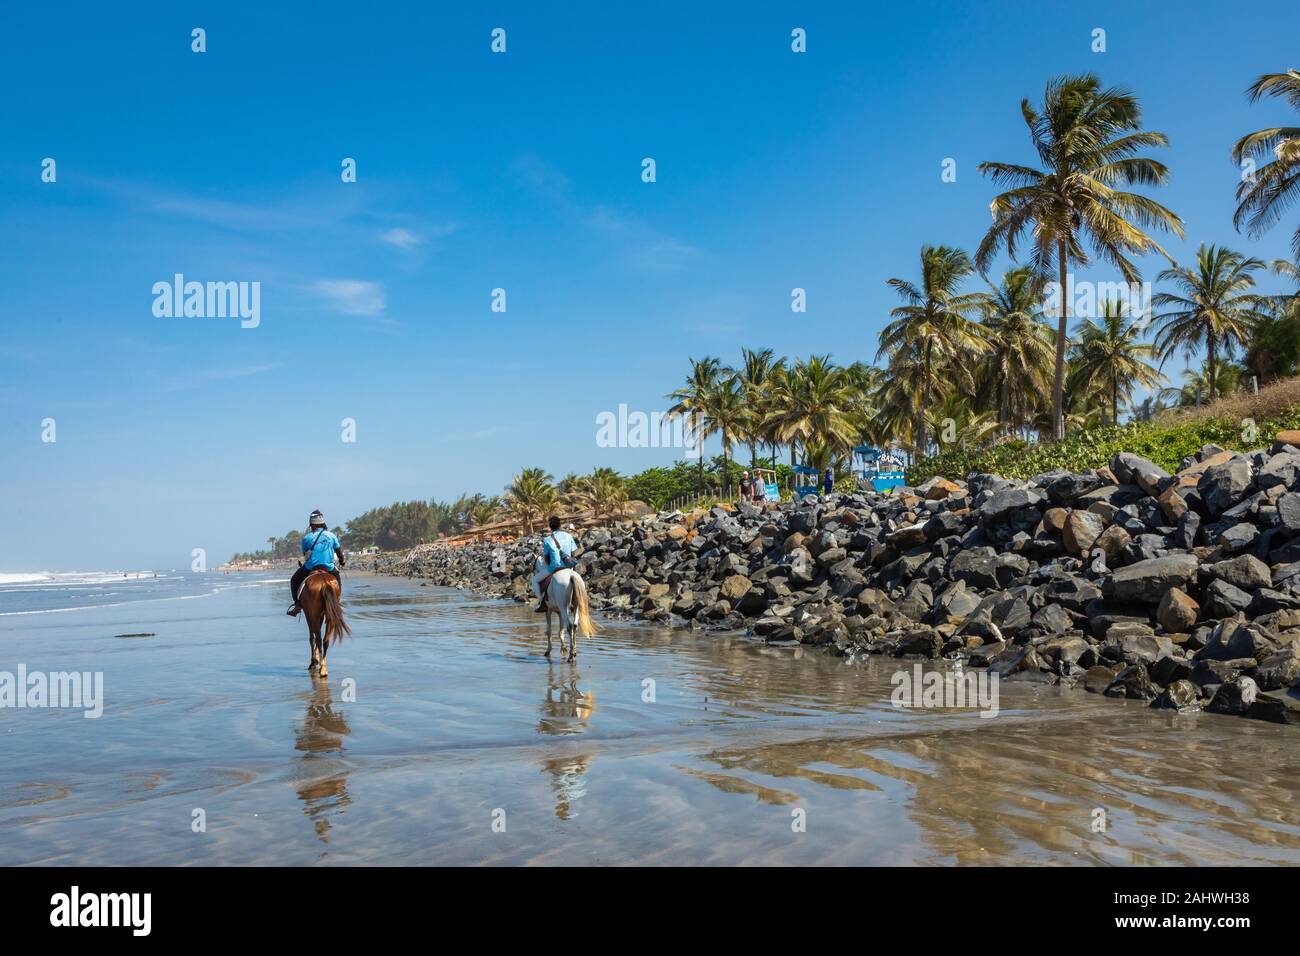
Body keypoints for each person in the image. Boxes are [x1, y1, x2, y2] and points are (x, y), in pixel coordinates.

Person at [287, 510, 346, 616]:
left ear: (312, 525)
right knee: (337, 579)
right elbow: (339, 551)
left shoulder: (307, 538)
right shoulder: (331, 536)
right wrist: (342, 560)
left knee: (294, 580)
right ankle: (337, 601)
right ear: (323, 523)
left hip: (311, 567)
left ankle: (297, 605)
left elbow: (306, 554)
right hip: (328, 567)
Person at [532, 515, 578, 612]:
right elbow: (573, 553)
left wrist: (549, 565)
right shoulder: (569, 536)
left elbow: (545, 557)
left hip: (554, 567)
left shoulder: (548, 539)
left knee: (535, 580)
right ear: (560, 525)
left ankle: (541, 602)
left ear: (550, 527)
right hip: (569, 566)